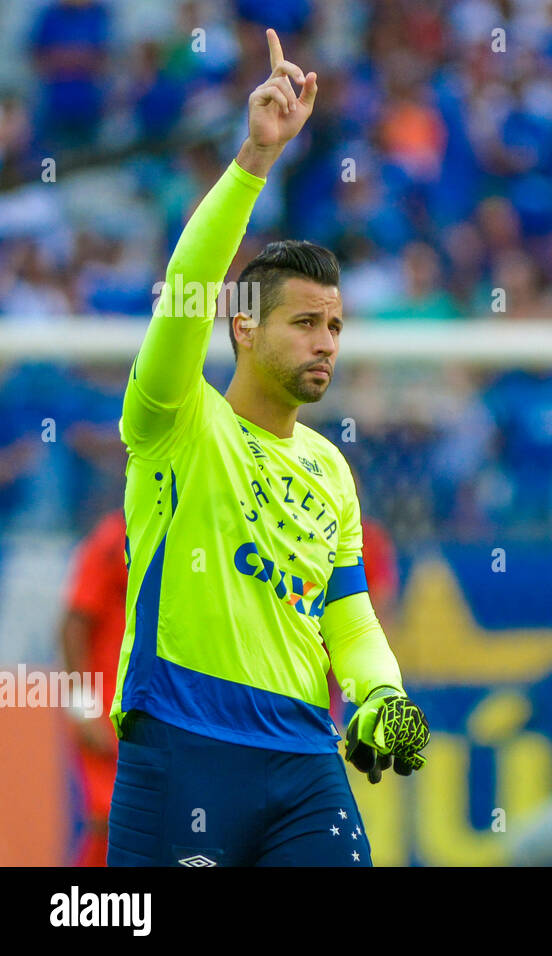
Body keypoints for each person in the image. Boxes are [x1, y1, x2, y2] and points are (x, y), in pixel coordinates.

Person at [107, 30, 428, 868]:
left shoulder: (332, 469)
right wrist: (255, 157)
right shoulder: (178, 416)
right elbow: (186, 287)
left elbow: (347, 614)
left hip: (303, 758)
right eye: (304, 323)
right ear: (243, 327)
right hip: (181, 742)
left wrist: (381, 697)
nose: (327, 343)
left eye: (335, 327)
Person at [59, 509, 128, 866]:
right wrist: (83, 709)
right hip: (103, 712)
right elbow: (73, 623)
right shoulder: (115, 537)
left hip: (152, 715)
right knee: (108, 822)